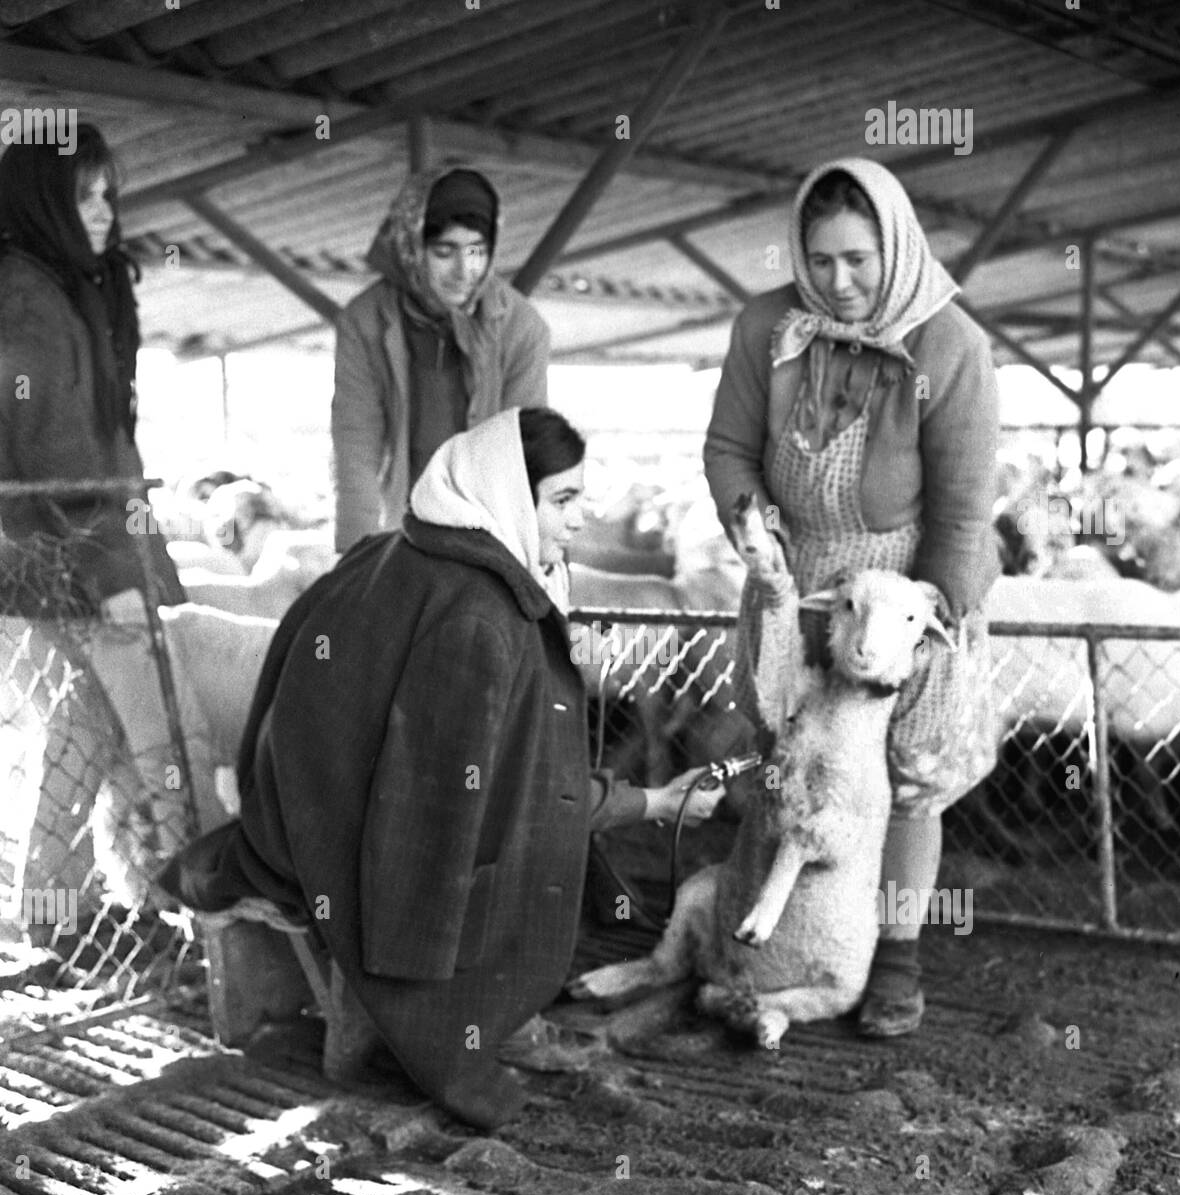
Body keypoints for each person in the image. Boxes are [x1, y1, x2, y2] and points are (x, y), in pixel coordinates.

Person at [158, 406, 722, 1130]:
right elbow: (519, 804)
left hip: (290, 813)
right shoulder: (481, 618)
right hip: (342, 845)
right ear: (509, 499)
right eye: (562, 501)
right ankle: (470, 1016)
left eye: (582, 500)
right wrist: (653, 805)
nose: (579, 522)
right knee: (531, 863)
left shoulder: (395, 551)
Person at [703, 157, 1001, 1038]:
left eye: (858, 260)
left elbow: (961, 505)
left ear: (895, 248)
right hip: (795, 582)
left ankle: (894, 962)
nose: (837, 282)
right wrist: (748, 524)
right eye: (820, 259)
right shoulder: (767, 326)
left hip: (907, 588)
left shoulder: (950, 346)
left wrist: (927, 620)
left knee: (902, 778)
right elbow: (728, 446)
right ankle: (776, 949)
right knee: (792, 761)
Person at [0, 124, 188, 917]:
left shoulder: (75, 290)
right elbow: (62, 457)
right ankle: (51, 917)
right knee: (84, 725)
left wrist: (156, 568)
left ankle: (115, 902)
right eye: (83, 196)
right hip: (41, 567)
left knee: (104, 727)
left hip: (76, 559)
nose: (104, 212)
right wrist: (119, 577)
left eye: (109, 194)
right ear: (44, 200)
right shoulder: (27, 298)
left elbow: (112, 450)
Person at [331, 163, 550, 554]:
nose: (464, 270)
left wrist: (526, 554)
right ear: (413, 246)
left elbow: (523, 447)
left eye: (477, 251)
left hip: (485, 526)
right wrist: (358, 554)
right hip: (402, 520)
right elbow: (357, 440)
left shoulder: (521, 327)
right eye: (444, 252)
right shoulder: (366, 320)